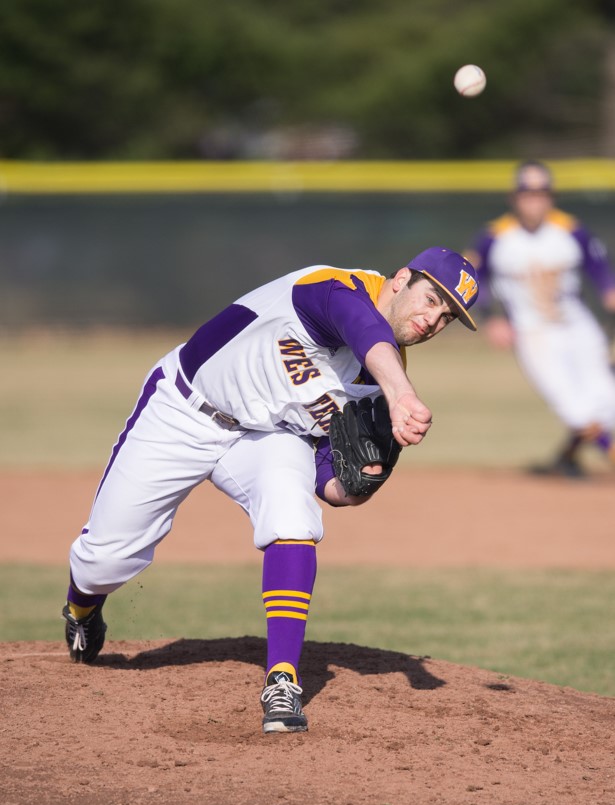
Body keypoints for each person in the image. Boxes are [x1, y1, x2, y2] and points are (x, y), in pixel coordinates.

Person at [62, 247, 479, 734]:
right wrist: (401, 391)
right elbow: (362, 328)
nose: (433, 320)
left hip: (267, 434)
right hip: (184, 410)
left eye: (447, 317)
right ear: (402, 279)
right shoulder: (335, 289)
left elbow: (326, 467)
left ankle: (282, 680)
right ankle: (82, 608)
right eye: (431, 299)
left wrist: (355, 488)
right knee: (105, 559)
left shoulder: (375, 379)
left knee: (293, 517)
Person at [468, 160, 615, 479]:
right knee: (572, 405)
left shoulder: (570, 229)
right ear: (514, 197)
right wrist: (491, 319)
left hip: (578, 326)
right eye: (528, 192)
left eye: (542, 192)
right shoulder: (494, 237)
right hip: (533, 333)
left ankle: (566, 458)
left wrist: (608, 290)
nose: (535, 199)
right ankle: (604, 450)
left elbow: (599, 267)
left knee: (607, 402)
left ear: (552, 196)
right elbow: (472, 278)